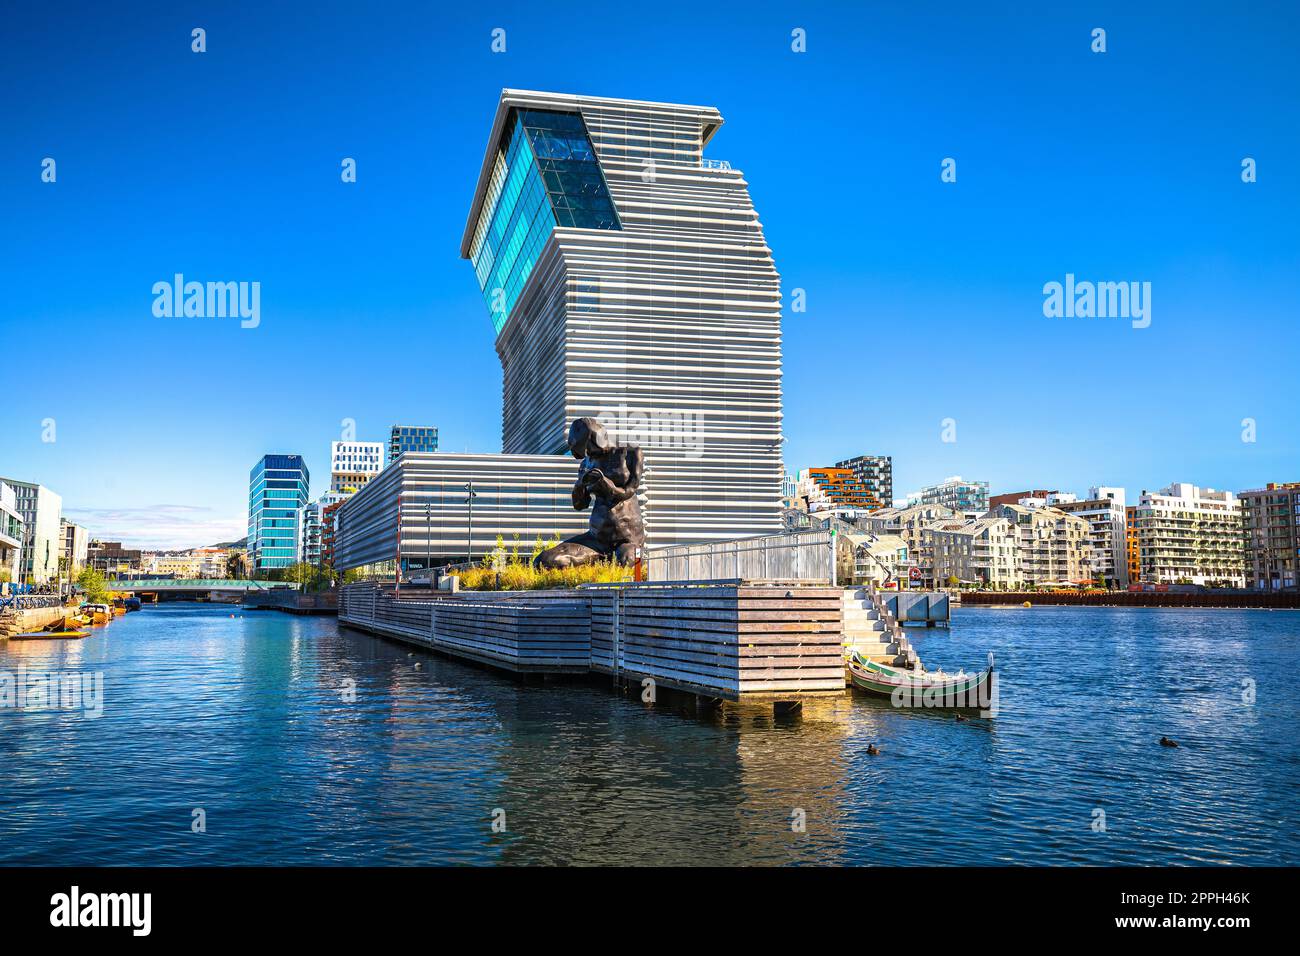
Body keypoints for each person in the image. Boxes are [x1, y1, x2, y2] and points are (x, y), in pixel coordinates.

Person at [536, 417, 645, 569]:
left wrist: (605, 484)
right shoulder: (587, 463)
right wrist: (580, 485)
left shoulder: (630, 453)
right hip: (597, 539)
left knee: (625, 561)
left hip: (627, 538)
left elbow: (630, 490)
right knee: (545, 560)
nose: (589, 454)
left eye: (588, 449)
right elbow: (580, 505)